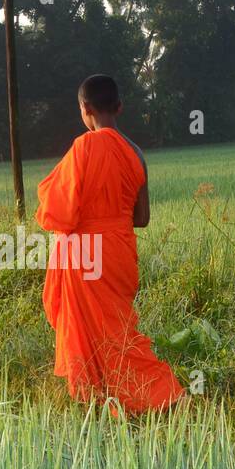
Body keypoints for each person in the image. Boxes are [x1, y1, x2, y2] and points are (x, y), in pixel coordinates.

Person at [36, 74, 184, 413]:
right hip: (119, 249)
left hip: (84, 252)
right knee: (117, 327)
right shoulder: (135, 153)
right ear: (119, 107)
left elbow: (57, 211)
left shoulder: (84, 147)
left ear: (85, 109)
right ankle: (126, 395)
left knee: (93, 330)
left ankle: (154, 393)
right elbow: (142, 217)